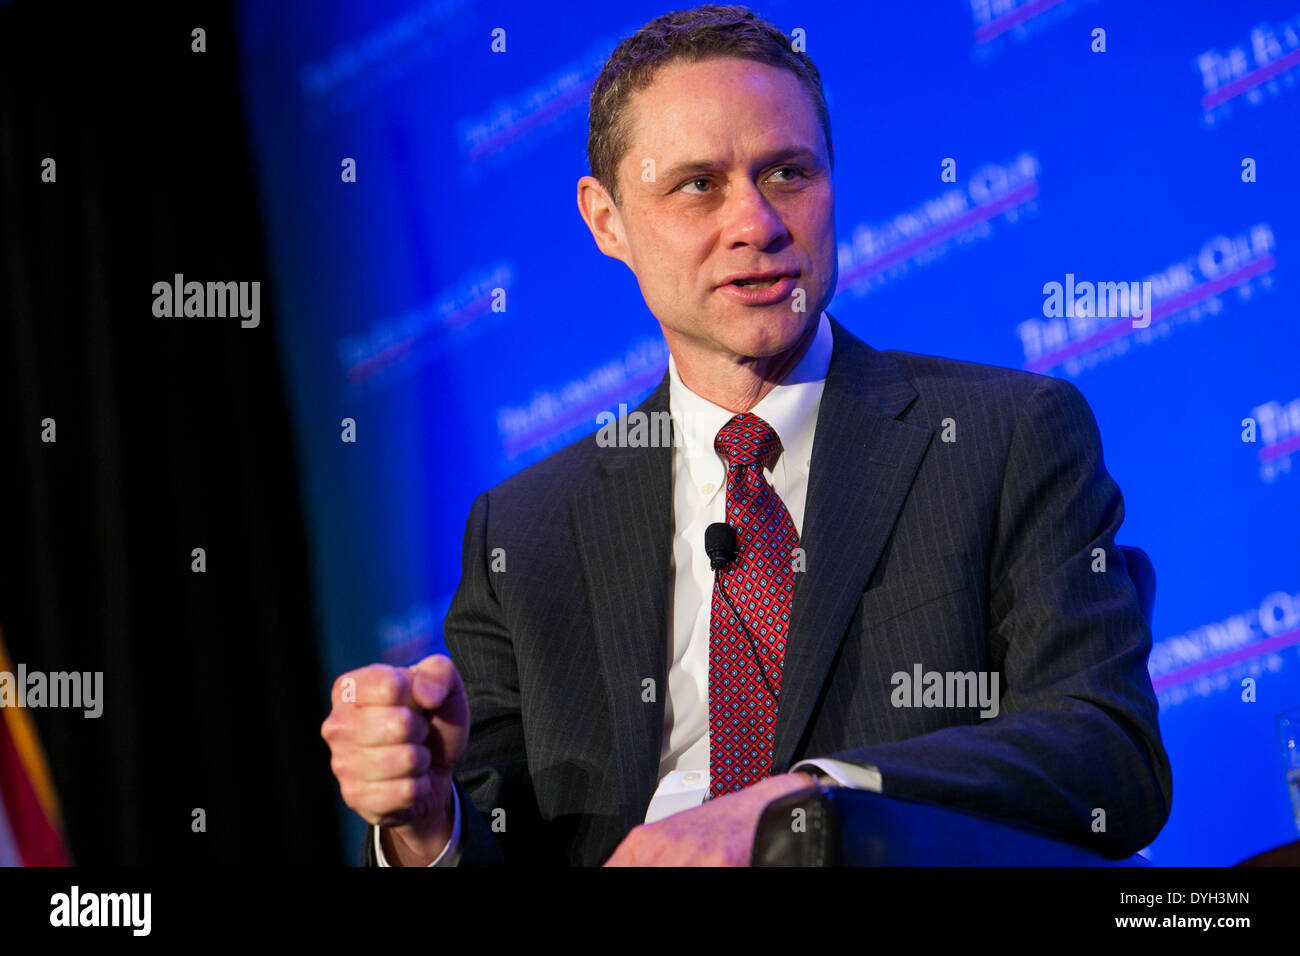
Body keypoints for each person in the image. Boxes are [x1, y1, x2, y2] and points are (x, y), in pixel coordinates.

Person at [320, 4, 1172, 867]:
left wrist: (804, 805)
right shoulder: (525, 533)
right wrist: (423, 822)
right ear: (607, 220)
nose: (757, 223)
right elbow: (494, 843)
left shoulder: (1003, 436)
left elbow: (1106, 752)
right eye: (698, 185)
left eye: (788, 173)